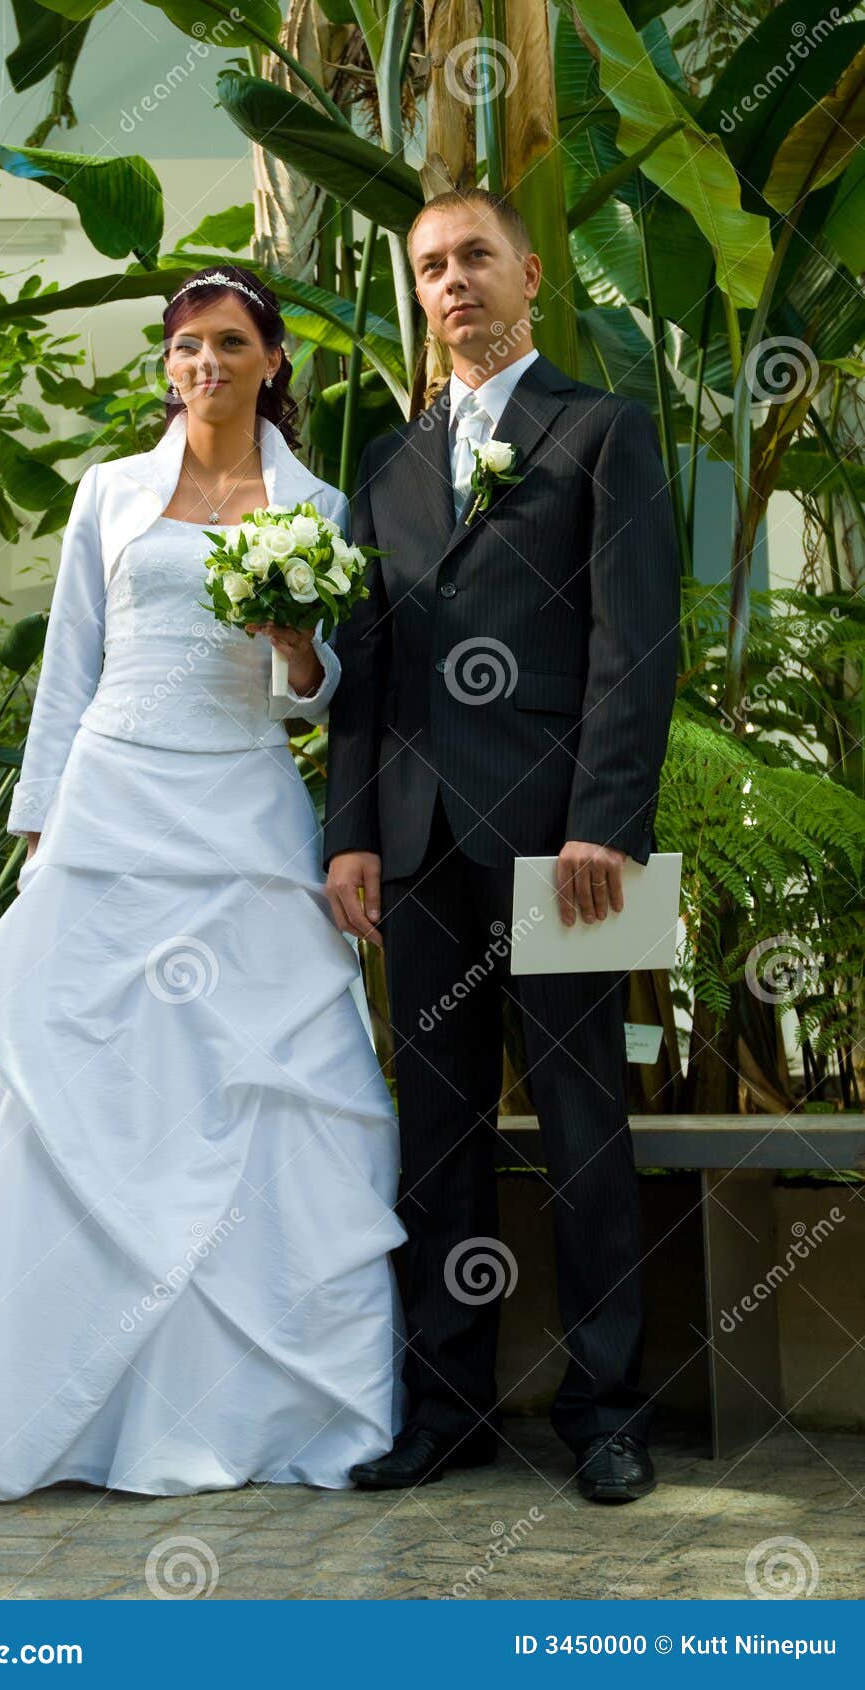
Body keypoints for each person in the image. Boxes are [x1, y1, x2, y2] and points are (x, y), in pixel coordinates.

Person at [0, 264, 407, 1501]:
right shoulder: (108, 494)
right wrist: (41, 839)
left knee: (279, 1078)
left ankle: (269, 1409)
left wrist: (297, 652)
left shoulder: (322, 504)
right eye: (185, 346)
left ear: (272, 361)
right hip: (112, 808)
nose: (204, 364)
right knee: (92, 1082)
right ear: (167, 364)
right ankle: (67, 1409)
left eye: (229, 343)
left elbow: (324, 694)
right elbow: (66, 672)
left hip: (242, 806)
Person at [323, 190, 680, 1503]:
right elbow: (361, 663)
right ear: (417, 292)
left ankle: (602, 1408)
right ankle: (449, 1405)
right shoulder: (383, 465)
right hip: (414, 843)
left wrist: (607, 820)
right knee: (436, 1129)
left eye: (475, 256)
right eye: (429, 266)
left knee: (589, 1120)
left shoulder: (603, 431)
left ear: (528, 273)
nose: (453, 280)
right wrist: (349, 836)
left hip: (573, 844)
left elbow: (636, 645)